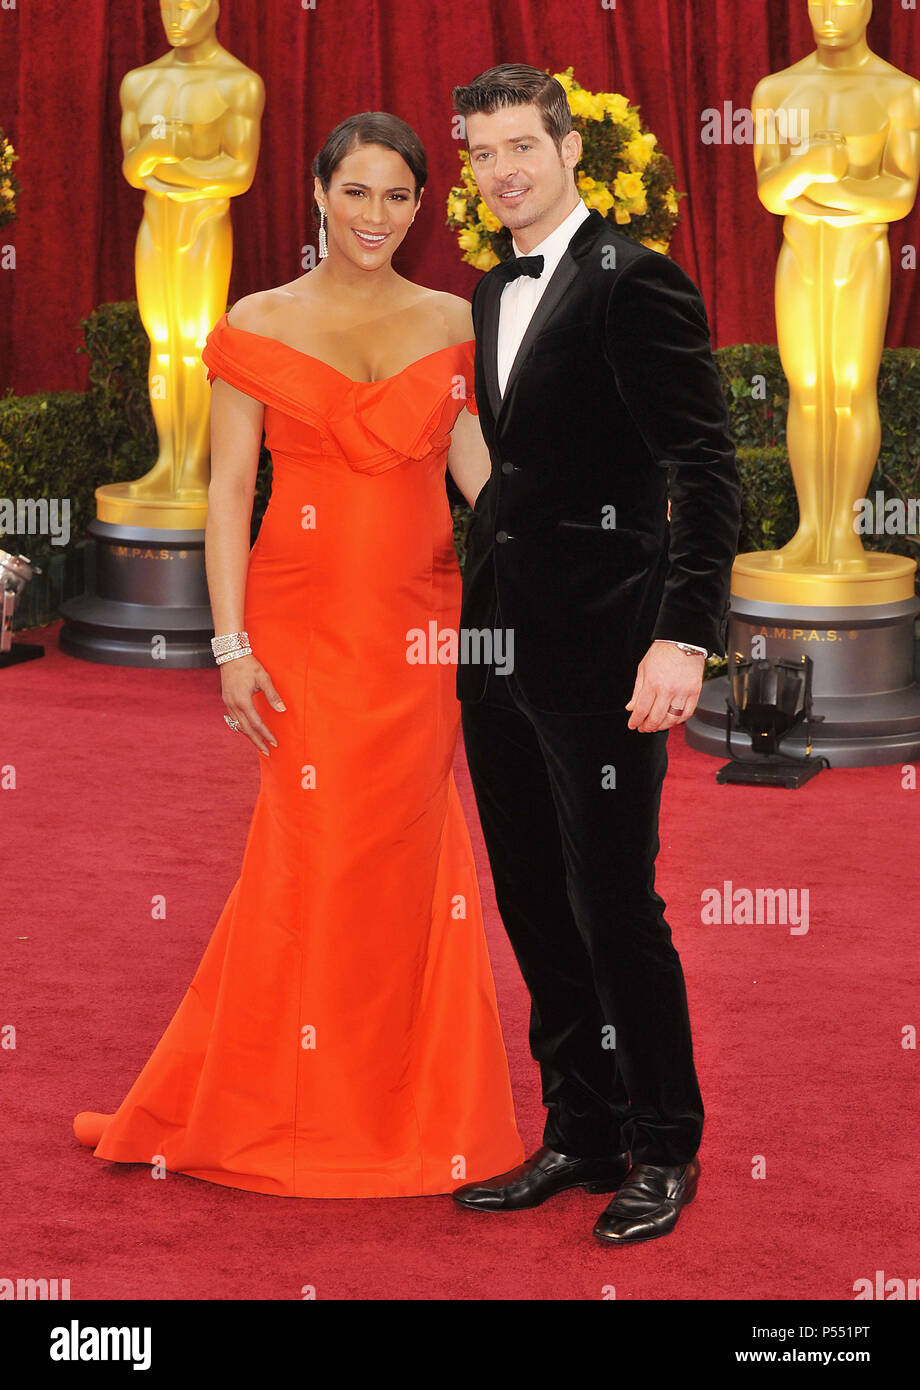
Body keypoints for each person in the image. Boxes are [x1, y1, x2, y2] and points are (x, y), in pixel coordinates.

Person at [73, 112, 524, 1198]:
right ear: (319, 192)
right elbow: (228, 492)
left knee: (411, 850)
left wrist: (592, 557)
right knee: (309, 850)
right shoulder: (258, 318)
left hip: (422, 627)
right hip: (299, 620)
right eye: (355, 192)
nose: (374, 216)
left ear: (423, 207)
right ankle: (273, 1100)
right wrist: (227, 644)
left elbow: (483, 484)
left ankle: (406, 1104)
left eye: (397, 197)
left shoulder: (452, 318)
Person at [448, 65, 741, 1243]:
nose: (500, 170)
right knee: (528, 897)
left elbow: (706, 471)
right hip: (494, 641)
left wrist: (682, 634)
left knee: (612, 902)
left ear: (569, 148)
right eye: (479, 154)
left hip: (606, 652)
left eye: (520, 145)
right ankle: (580, 1128)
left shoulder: (637, 282)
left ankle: (663, 1145)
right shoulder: (483, 290)